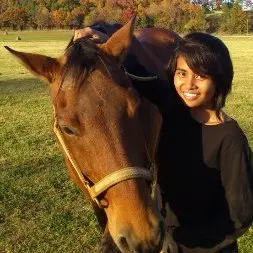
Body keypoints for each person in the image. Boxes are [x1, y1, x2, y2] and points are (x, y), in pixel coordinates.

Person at [73, 27, 253, 253]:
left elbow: (240, 214)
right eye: (182, 73)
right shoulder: (172, 108)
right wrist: (108, 41)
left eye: (201, 75)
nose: (189, 85)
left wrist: (185, 243)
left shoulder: (230, 138)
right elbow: (142, 76)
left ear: (220, 80)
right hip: (168, 240)